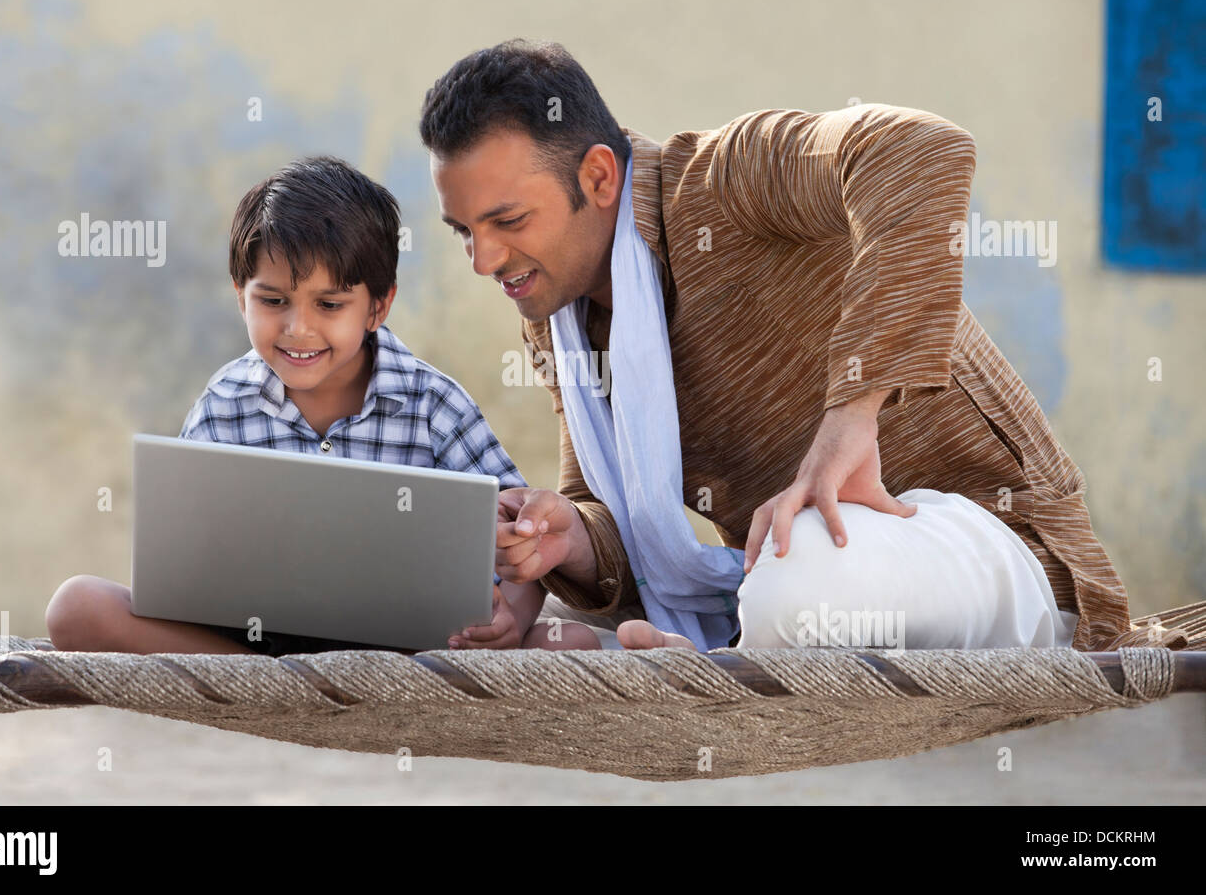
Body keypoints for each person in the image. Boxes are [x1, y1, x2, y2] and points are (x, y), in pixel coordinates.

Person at [420, 38, 1184, 654]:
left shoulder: (727, 180)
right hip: (802, 567)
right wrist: (568, 540)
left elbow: (923, 151)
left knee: (797, 580)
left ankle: (726, 661)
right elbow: (607, 511)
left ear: (598, 176)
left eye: (508, 222)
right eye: (465, 234)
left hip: (990, 542)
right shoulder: (560, 314)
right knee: (785, 573)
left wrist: (851, 419)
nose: (485, 262)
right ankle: (731, 654)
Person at [45, 156, 560, 656]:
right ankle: (277, 684)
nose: (298, 329)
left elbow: (524, 543)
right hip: (251, 643)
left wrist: (509, 623)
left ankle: (311, 684)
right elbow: (181, 564)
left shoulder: (434, 405)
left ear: (378, 306)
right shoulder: (224, 404)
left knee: (569, 643)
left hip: (409, 648)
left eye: (329, 305)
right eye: (272, 301)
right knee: (76, 607)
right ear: (240, 298)